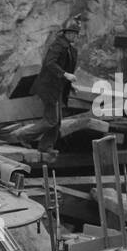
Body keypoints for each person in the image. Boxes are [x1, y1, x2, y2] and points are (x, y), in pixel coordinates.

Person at [30, 18, 80, 159]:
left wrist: (70, 84)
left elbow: (67, 70)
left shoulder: (70, 48)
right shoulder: (58, 46)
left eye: (76, 34)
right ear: (67, 34)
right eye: (73, 33)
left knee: (56, 121)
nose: (75, 36)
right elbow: (49, 63)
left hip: (57, 88)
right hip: (48, 87)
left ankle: (46, 147)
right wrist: (65, 74)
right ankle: (22, 135)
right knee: (51, 120)